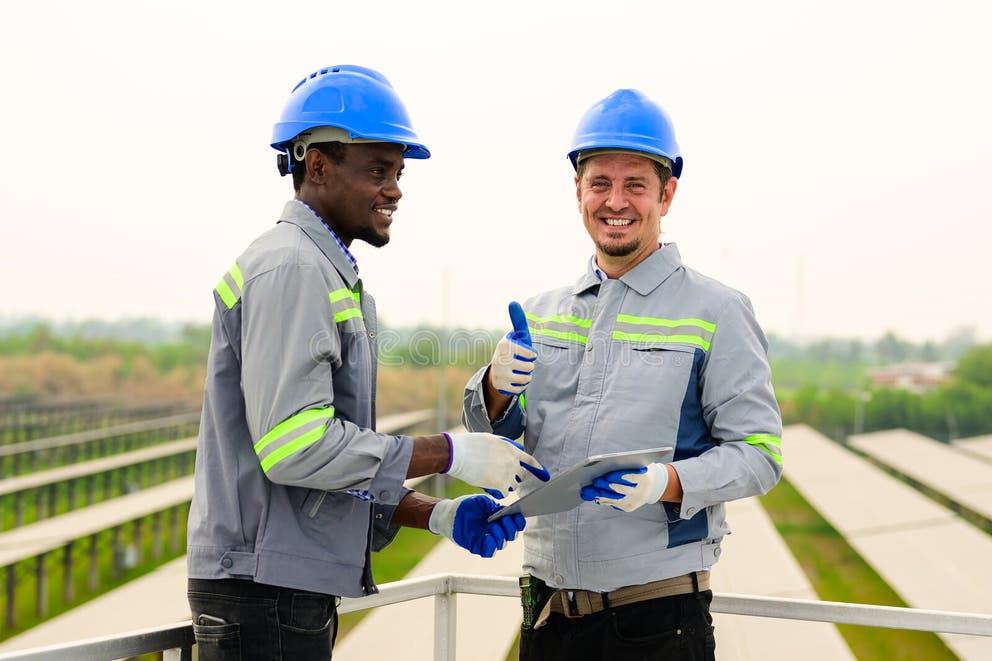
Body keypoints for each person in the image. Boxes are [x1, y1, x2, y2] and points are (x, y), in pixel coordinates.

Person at [186, 65, 550, 661]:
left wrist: (437, 515)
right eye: (378, 171)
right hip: (263, 592)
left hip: (280, 589)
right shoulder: (294, 268)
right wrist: (450, 452)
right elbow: (295, 447)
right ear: (318, 166)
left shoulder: (325, 273)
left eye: (399, 173)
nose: (396, 190)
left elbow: (332, 468)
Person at [462, 89, 784, 660]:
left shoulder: (717, 311)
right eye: (600, 183)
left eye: (635, 184)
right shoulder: (540, 314)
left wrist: (666, 483)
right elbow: (494, 443)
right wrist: (493, 390)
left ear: (667, 194)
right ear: (578, 192)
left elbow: (759, 455)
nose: (616, 201)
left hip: (656, 620)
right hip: (547, 614)